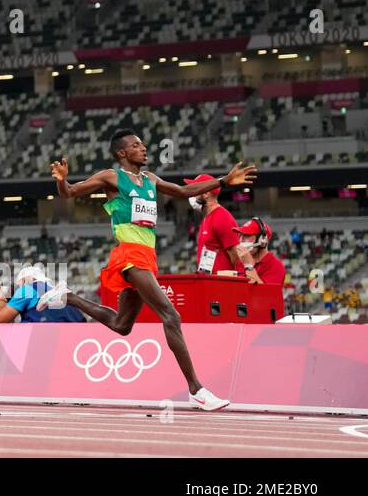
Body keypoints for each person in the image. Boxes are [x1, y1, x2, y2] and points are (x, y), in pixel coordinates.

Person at [38, 130, 257, 411]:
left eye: (142, 143)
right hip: (129, 255)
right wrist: (61, 181)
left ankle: (69, 297)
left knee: (122, 325)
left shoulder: (151, 179)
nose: (143, 148)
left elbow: (182, 191)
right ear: (122, 153)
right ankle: (196, 390)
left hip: (147, 256)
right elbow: (69, 193)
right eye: (136, 145)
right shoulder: (111, 177)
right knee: (171, 315)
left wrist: (224, 181)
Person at [186, 173, 262, 283]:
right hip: (208, 282)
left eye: (195, 189)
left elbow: (236, 258)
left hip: (220, 285)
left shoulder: (222, 218)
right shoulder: (207, 218)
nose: (192, 193)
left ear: (206, 193)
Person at [0, 266, 84, 323]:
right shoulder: (58, 289)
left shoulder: (27, 289)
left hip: (44, 338)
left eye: (19, 285)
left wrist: (1, 298)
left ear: (24, 280)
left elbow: (1, 319)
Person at [236, 217, 285, 286]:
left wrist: (249, 266)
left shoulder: (276, 266)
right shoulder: (240, 262)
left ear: (262, 239)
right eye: (240, 235)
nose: (241, 240)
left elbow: (265, 295)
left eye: (247, 235)